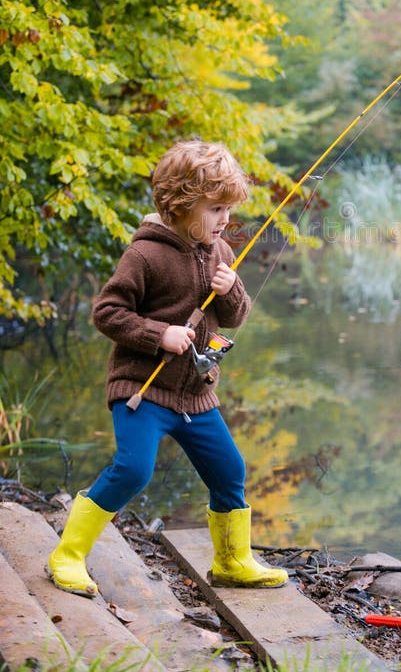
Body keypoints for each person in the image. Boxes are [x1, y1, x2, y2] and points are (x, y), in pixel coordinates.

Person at [47, 139, 288, 596]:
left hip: (195, 394)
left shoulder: (220, 253)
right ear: (180, 204)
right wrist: (159, 334)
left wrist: (233, 286)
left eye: (229, 210)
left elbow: (235, 316)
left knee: (230, 470)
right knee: (134, 470)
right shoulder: (145, 255)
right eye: (216, 209)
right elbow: (108, 312)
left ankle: (232, 560)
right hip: (142, 389)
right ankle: (69, 555)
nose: (226, 220)